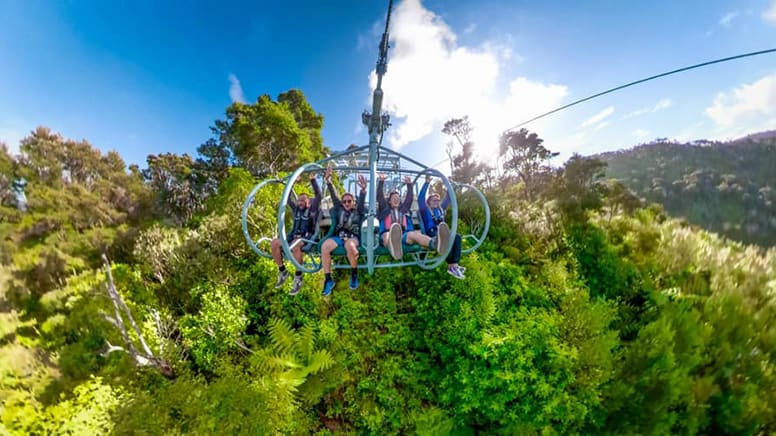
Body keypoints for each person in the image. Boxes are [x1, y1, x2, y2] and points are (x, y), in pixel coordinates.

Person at [271, 172, 322, 295]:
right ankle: (283, 271)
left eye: (303, 200)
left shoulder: (312, 209)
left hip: (307, 237)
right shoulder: (296, 210)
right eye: (299, 200)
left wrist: (313, 181)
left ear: (308, 202)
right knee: (274, 243)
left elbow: (318, 195)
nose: (300, 202)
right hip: (293, 236)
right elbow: (287, 198)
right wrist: (292, 182)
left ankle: (298, 276)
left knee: (296, 244)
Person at [376, 173, 449, 260]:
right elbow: (380, 197)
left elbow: (409, 199)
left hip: (402, 235)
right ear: (389, 201)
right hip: (387, 234)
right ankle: (393, 247)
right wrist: (381, 182)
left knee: (414, 234)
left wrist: (409, 185)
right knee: (387, 235)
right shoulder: (385, 209)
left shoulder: (403, 210)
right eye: (394, 198)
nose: (396, 199)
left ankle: (434, 243)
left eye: (398, 198)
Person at [320, 168, 367, 296]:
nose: (346, 203)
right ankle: (328, 279)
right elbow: (334, 196)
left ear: (353, 202)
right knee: (325, 247)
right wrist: (329, 181)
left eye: (349, 201)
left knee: (350, 247)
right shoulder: (339, 208)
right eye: (344, 201)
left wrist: (363, 190)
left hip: (353, 237)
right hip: (339, 237)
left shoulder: (358, 210)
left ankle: (354, 274)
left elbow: (362, 201)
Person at [419, 175, 465, 279]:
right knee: (445, 240)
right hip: (432, 233)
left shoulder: (440, 209)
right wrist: (426, 183)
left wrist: (450, 187)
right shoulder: (425, 209)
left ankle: (454, 265)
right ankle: (452, 266)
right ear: (429, 202)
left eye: (437, 200)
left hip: (442, 232)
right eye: (433, 200)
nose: (436, 202)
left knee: (457, 237)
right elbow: (421, 198)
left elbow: (448, 198)